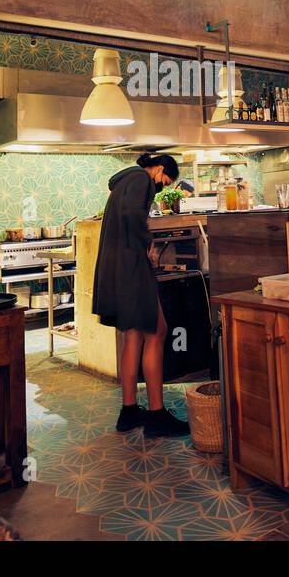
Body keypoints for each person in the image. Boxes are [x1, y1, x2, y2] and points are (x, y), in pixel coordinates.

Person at [92, 153, 191, 438]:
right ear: (158, 169)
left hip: (117, 269)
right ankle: (157, 414)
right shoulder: (141, 179)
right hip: (132, 266)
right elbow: (133, 216)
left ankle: (129, 410)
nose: (161, 188)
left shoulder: (123, 181)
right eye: (164, 182)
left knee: (133, 334)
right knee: (157, 331)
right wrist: (148, 245)